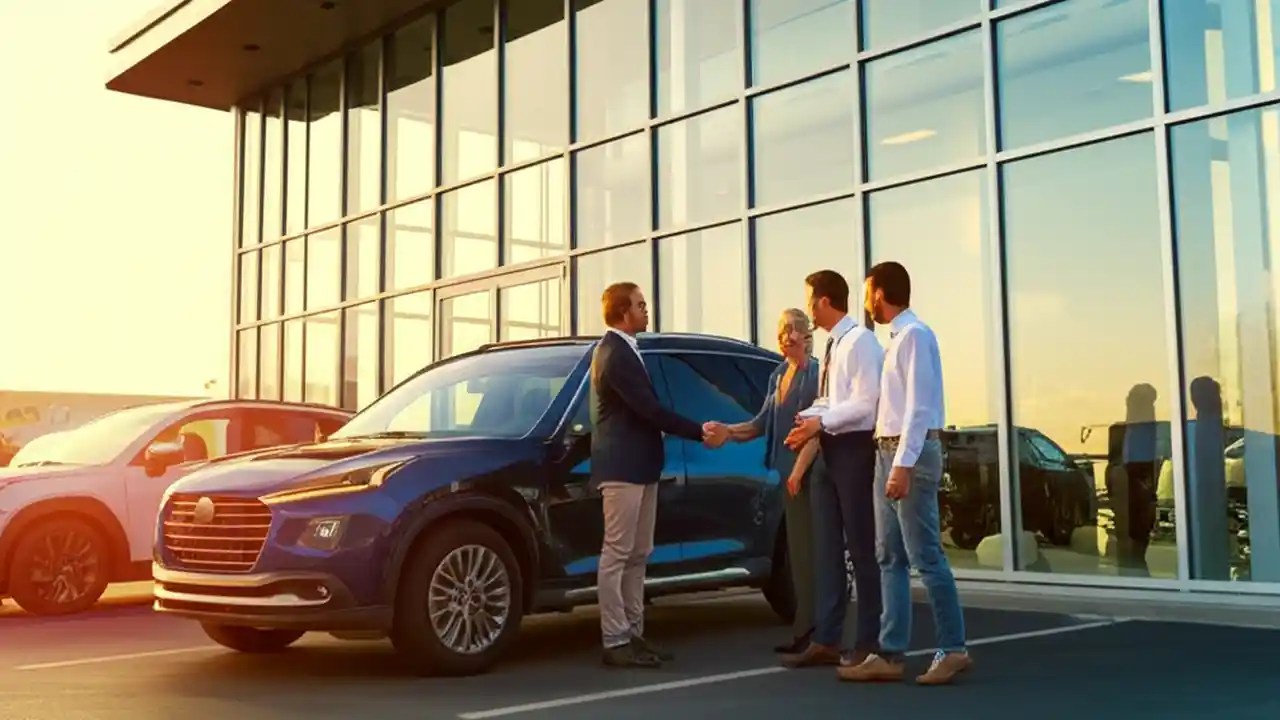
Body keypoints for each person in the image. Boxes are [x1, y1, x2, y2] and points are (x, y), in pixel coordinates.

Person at [839, 261, 971, 685]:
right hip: (886, 451)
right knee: (889, 556)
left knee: (925, 556)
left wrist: (903, 465)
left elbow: (918, 407)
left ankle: (953, 649)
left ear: (879, 293)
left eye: (867, 293)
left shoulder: (915, 336)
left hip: (906, 453)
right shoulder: (897, 339)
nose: (865, 302)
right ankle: (890, 654)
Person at [590, 281, 727, 669]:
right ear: (622, 313)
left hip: (642, 467)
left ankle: (634, 634)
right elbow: (649, 409)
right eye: (640, 305)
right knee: (617, 553)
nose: (646, 311)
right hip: (622, 469)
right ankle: (615, 639)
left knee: (638, 553)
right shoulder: (613, 354)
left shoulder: (628, 350)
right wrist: (700, 431)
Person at [781, 270, 884, 669]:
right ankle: (826, 638)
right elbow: (830, 400)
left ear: (824, 302)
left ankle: (867, 642)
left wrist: (820, 423)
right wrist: (807, 421)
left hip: (854, 452)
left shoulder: (861, 342)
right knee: (826, 551)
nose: (808, 309)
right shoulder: (832, 345)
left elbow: (867, 403)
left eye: (810, 301)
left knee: (861, 549)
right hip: (827, 450)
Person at [714, 309, 822, 654]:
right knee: (797, 554)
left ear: (807, 334)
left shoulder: (816, 373)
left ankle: (817, 632)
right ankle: (804, 629)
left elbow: (820, 424)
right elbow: (760, 424)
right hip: (785, 476)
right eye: (781, 329)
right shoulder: (779, 375)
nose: (785, 335)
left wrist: (798, 470)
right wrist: (727, 431)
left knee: (811, 553)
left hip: (809, 473)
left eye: (793, 329)